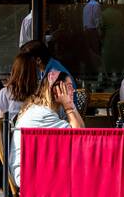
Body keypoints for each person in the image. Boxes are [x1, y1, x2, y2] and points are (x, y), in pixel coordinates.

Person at [5, 51, 84, 188]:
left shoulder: (43, 109)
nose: (74, 91)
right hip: (28, 175)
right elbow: (79, 134)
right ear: (57, 91)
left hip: (34, 168)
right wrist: (69, 106)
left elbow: (81, 131)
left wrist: (69, 106)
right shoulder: (42, 114)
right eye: (69, 87)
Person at [81, 0, 103, 75]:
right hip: (93, 31)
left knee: (88, 53)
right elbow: (97, 19)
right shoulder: (96, 5)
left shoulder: (86, 6)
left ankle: (89, 72)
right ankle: (95, 73)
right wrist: (99, 31)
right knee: (95, 53)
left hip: (86, 31)